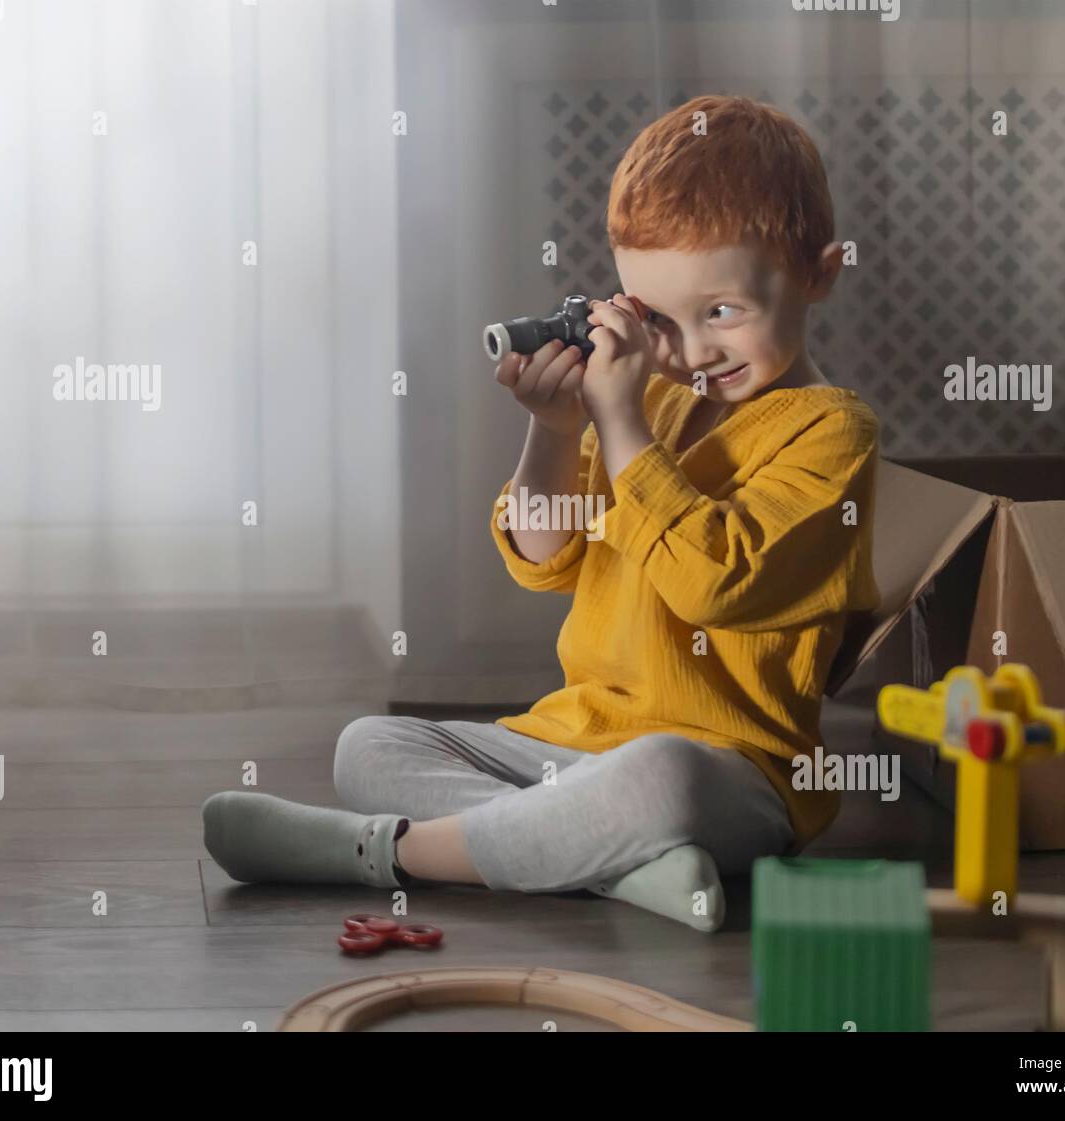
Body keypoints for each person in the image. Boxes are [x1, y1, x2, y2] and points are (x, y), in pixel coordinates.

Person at [202, 95, 879, 933]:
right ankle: (621, 867)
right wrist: (554, 430)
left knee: (657, 777)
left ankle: (383, 853)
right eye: (663, 320)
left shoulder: (831, 432)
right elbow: (544, 555)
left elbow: (715, 583)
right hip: (575, 738)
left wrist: (622, 420)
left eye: (724, 312)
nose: (696, 351)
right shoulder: (657, 401)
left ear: (820, 272)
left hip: (729, 767)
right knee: (370, 744)